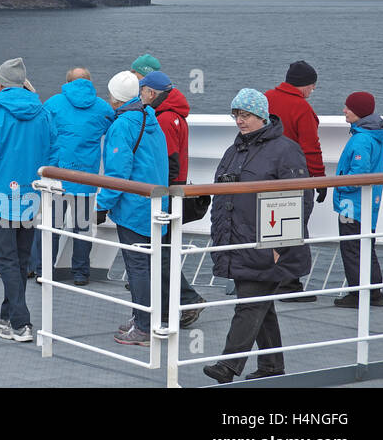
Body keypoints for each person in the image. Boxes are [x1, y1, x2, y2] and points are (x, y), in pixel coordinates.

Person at [202, 89, 313, 383]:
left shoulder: (285, 150)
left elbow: (301, 198)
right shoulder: (234, 150)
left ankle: (228, 366)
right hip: (239, 242)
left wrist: (279, 246)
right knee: (260, 306)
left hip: (267, 244)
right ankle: (272, 367)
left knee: (250, 303)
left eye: (246, 115)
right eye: (236, 114)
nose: (240, 120)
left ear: (262, 116)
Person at [0, 57, 55, 344]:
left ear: (0, 82)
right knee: (19, 260)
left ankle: (21, 322)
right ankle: (7, 317)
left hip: (1, 197)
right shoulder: (42, 113)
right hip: (31, 194)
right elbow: (52, 153)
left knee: (7, 260)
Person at [98, 71, 169, 346]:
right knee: (151, 265)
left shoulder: (122, 126)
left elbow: (117, 173)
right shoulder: (150, 119)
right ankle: (148, 317)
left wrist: (102, 205)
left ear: (114, 98)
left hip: (134, 209)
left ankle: (143, 327)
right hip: (156, 203)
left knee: (137, 267)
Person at [137, 71, 206, 326]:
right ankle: (170, 304)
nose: (140, 95)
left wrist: (162, 193)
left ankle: (187, 299)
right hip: (175, 192)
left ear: (152, 93)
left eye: (142, 90)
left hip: (165, 195)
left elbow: (168, 161)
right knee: (163, 250)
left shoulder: (164, 119)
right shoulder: (176, 115)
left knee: (161, 252)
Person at [36, 67, 114, 286]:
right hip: (86, 176)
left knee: (52, 226)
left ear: (67, 82)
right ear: (89, 82)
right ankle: (81, 273)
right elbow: (114, 131)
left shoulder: (53, 104)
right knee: (82, 227)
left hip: (57, 175)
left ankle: (44, 271)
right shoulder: (102, 107)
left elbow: (42, 133)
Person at [265, 60, 325, 301]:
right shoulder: (302, 108)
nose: (312, 91)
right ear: (303, 86)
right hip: (293, 177)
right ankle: (289, 285)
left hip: (264, 175)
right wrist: (319, 179)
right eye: (312, 86)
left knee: (270, 227)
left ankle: (270, 280)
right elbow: (310, 148)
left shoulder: (266, 97)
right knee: (294, 227)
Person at [332, 92, 383, 309]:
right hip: (366, 205)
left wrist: (337, 184)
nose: (344, 110)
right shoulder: (372, 135)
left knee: (352, 248)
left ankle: (359, 294)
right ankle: (374, 292)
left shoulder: (362, 139)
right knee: (365, 246)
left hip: (352, 206)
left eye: (348, 108)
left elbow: (358, 175)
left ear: (359, 112)